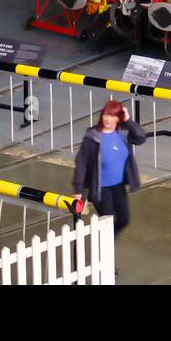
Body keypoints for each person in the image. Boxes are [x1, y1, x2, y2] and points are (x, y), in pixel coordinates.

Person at [72, 100, 146, 238]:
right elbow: (81, 164)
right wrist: (78, 192)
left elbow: (141, 137)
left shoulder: (123, 133)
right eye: (106, 115)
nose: (108, 119)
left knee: (124, 219)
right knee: (108, 220)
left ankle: (110, 239)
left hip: (118, 186)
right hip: (100, 188)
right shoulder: (92, 136)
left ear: (119, 118)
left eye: (112, 116)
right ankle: (105, 245)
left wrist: (129, 120)